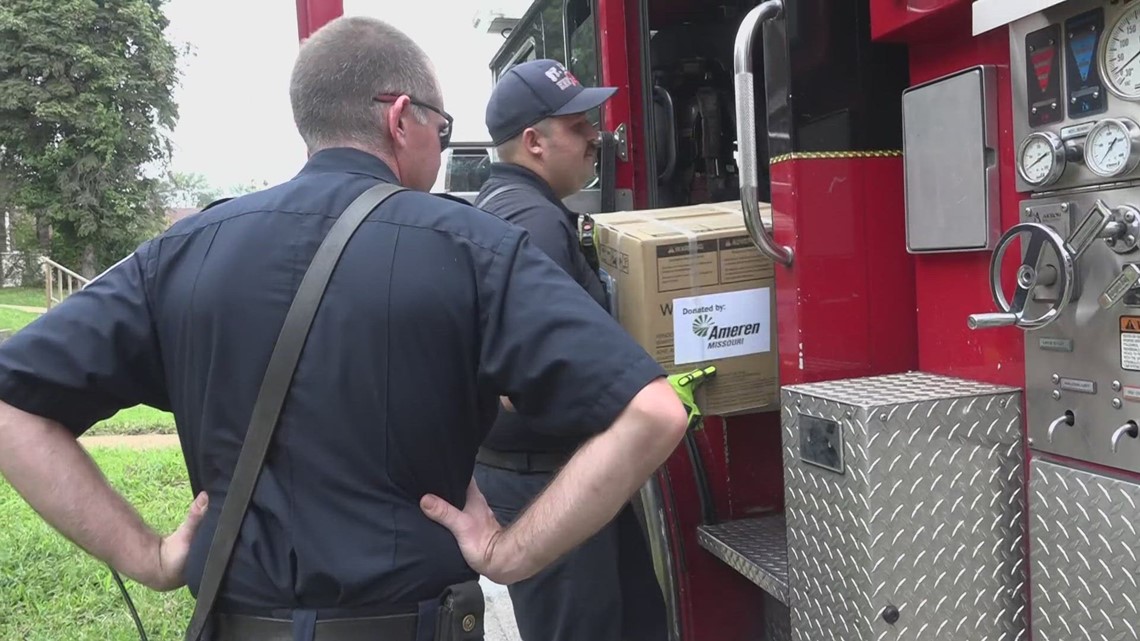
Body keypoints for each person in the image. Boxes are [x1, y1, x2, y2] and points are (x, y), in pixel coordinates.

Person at [0, 17, 687, 641]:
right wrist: (513, 552)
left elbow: (12, 405)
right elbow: (653, 412)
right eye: (441, 130)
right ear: (400, 118)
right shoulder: (472, 250)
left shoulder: (182, 252)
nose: (441, 150)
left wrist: (145, 555)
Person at [471, 59, 670, 641]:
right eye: (579, 125)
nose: (597, 137)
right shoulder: (532, 222)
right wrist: (633, 400)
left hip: (532, 473)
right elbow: (517, 380)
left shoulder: (504, 207)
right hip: (548, 480)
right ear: (534, 141)